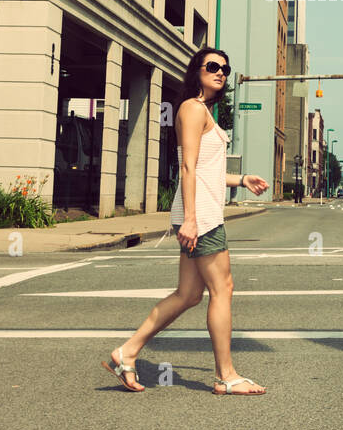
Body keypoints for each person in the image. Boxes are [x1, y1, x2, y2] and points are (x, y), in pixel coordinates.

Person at [102, 47, 269, 396]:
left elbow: (208, 170)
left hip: (199, 213)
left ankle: (126, 352)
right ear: (197, 70)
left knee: (189, 294)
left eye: (224, 68)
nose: (220, 72)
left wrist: (241, 180)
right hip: (202, 217)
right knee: (223, 289)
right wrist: (191, 220)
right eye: (212, 66)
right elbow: (188, 167)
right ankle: (227, 375)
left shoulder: (201, 109)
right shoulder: (193, 109)